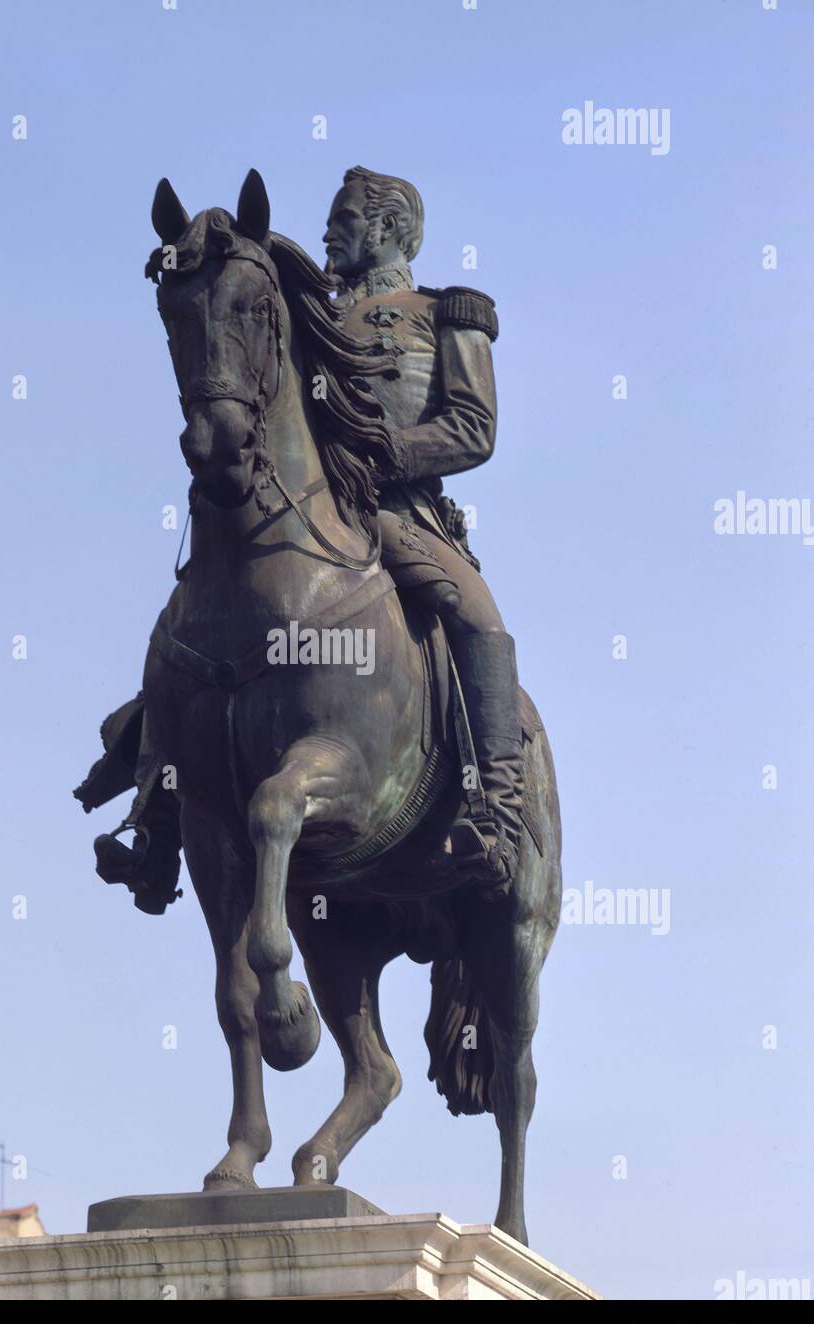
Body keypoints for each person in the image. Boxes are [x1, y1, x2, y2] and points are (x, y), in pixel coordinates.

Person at [322, 166, 523, 892]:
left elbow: (473, 428)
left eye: (343, 217)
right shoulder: (304, 314)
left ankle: (496, 814)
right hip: (308, 506)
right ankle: (159, 802)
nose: (327, 231)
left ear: (383, 229)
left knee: (480, 621)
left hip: (400, 513)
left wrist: (389, 455)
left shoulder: (446, 314)